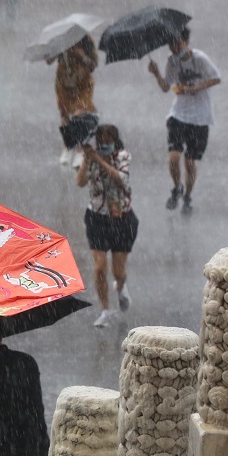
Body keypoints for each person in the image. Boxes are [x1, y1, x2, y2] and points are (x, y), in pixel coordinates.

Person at [147, 27, 221, 214]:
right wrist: (156, 74)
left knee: (189, 161)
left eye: (177, 43)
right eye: (170, 44)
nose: (173, 48)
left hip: (201, 118)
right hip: (178, 114)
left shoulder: (200, 59)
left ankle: (188, 195)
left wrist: (195, 87)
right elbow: (166, 87)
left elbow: (216, 78)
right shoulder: (171, 62)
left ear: (186, 42)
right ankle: (177, 187)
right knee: (173, 157)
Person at [75, 124, 137, 328]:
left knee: (118, 270)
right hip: (97, 217)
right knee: (100, 266)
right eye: (101, 142)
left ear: (115, 141)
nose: (104, 145)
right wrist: (86, 159)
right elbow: (80, 182)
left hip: (122, 219)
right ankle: (105, 310)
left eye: (108, 141)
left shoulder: (123, 157)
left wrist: (99, 160)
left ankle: (120, 286)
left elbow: (121, 179)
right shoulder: (90, 159)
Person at [46, 35, 99, 168]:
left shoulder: (87, 41)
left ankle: (80, 150)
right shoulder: (59, 40)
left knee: (80, 113)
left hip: (83, 84)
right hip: (64, 82)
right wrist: (57, 51)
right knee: (64, 114)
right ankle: (68, 147)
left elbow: (93, 65)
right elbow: (48, 60)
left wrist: (81, 56)